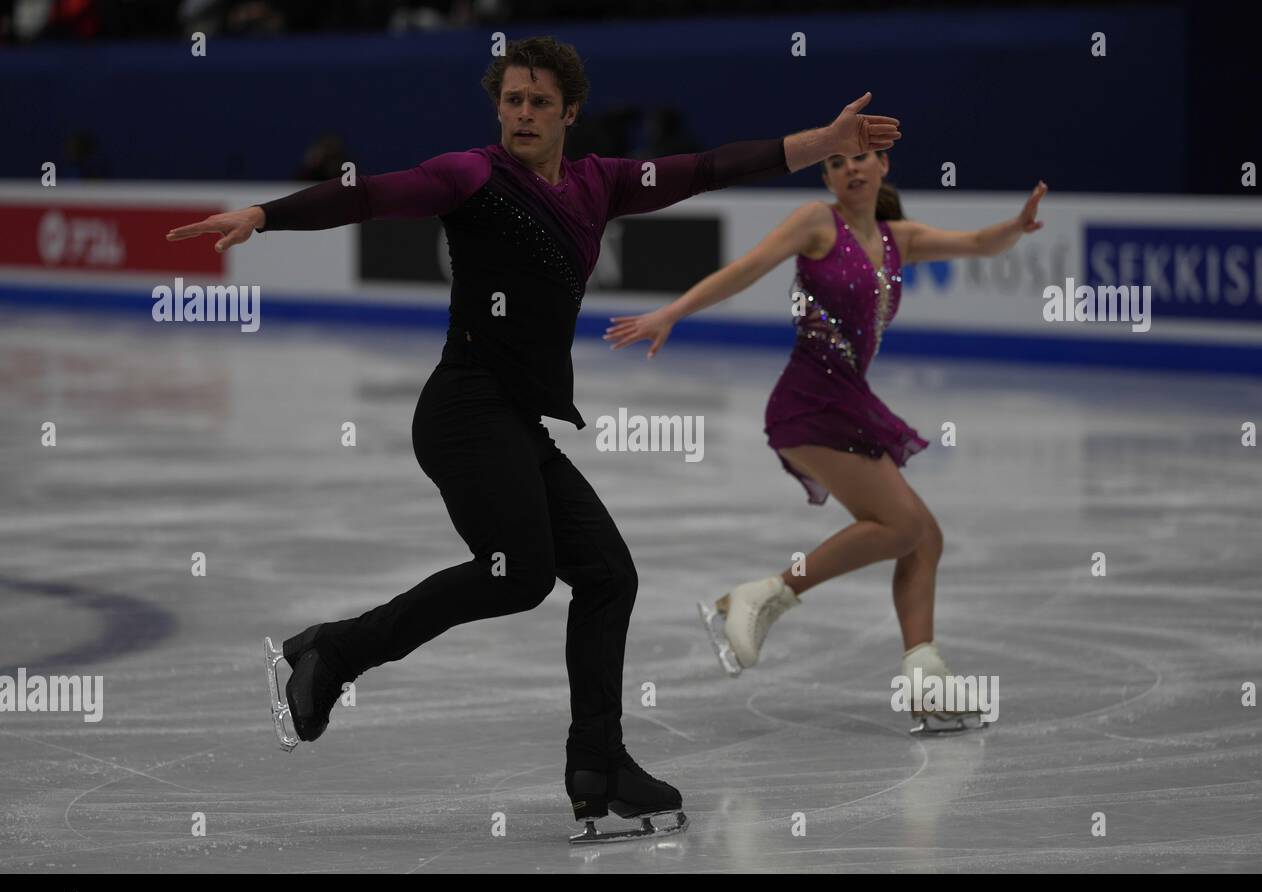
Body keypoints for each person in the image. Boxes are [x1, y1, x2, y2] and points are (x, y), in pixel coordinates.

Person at [166, 37, 902, 839]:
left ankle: (599, 767)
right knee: (518, 574)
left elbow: (710, 167)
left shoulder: (599, 185)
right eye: (512, 99)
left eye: (539, 102)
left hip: (514, 420)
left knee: (608, 574)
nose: (522, 114)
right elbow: (372, 195)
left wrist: (822, 144)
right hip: (463, 410)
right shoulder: (473, 175)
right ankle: (334, 654)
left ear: (569, 113)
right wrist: (267, 216)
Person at [605, 148, 1046, 734]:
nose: (851, 170)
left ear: (885, 166)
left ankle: (925, 679)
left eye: (862, 158)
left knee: (924, 539)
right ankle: (761, 595)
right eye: (837, 162)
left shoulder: (899, 239)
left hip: (849, 402)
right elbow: (746, 269)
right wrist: (675, 312)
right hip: (808, 401)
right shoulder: (817, 222)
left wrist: (1015, 227)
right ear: (828, 176)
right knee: (903, 527)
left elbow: (977, 245)